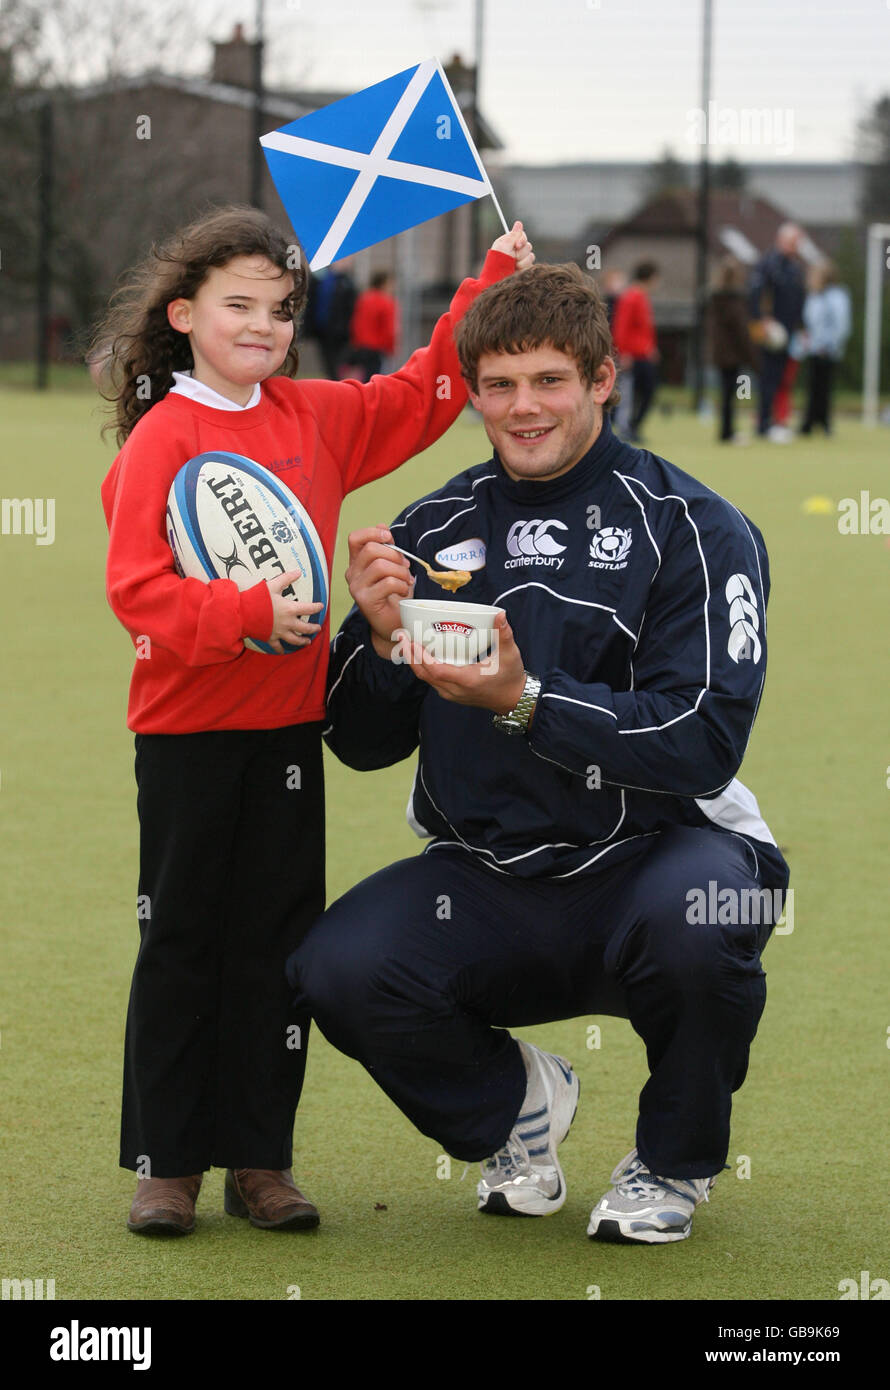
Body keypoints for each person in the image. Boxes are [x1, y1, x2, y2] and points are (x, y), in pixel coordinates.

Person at [287, 262, 789, 1246]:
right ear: (472, 392)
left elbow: (700, 740)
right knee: (337, 966)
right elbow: (359, 742)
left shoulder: (698, 528)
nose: (523, 408)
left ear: (602, 378)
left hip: (658, 858)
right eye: (500, 385)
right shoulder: (434, 525)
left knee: (702, 914)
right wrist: (379, 640)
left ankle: (671, 1161)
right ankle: (512, 1104)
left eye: (549, 380)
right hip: (486, 876)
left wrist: (522, 699)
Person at [95, 203, 533, 1237]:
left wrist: (488, 279)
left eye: (280, 309)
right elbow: (136, 590)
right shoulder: (165, 434)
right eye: (236, 305)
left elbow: (421, 395)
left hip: (287, 740)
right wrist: (246, 614)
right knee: (183, 943)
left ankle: (261, 1159)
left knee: (276, 948)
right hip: (186, 737)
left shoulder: (314, 415)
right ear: (184, 314)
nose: (261, 326)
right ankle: (168, 1167)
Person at [747, 222, 806, 442]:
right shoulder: (768, 265)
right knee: (768, 378)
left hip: (788, 334)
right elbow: (755, 294)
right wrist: (761, 320)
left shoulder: (795, 268)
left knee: (782, 378)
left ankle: (775, 421)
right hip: (771, 334)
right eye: (793, 242)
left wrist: (801, 327)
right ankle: (763, 424)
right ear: (781, 241)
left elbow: (799, 301)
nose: (796, 246)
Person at [800, 260, 851, 435]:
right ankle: (810, 422)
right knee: (813, 386)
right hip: (814, 348)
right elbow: (810, 321)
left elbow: (841, 324)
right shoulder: (814, 296)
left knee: (823, 387)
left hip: (827, 350)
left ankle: (824, 423)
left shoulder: (836, 297)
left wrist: (829, 345)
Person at [611, 261, 659, 443]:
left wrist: (651, 348)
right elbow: (621, 327)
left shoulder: (642, 296)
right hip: (633, 355)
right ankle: (626, 428)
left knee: (648, 391)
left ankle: (633, 426)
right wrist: (623, 352)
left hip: (644, 355)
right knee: (629, 393)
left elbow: (644, 329)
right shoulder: (631, 297)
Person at [707, 255, 752, 443]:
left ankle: (726, 430)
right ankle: (728, 432)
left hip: (720, 354)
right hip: (733, 355)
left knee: (726, 394)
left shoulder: (714, 299)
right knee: (730, 395)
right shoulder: (735, 302)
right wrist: (752, 357)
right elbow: (741, 333)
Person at [344, 271, 399, 381]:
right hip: (378, 348)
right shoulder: (386, 302)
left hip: (362, 345)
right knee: (378, 381)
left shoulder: (364, 299)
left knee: (363, 381)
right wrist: (391, 348)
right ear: (384, 284)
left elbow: (356, 323)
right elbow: (389, 330)